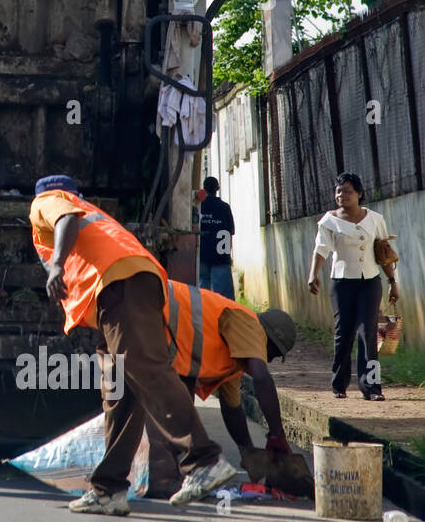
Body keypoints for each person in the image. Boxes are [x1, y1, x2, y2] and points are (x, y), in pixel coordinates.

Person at [30, 173, 235, 515]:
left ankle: (202, 459)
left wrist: (57, 268)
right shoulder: (90, 211)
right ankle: (108, 489)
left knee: (148, 371)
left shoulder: (49, 202)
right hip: (124, 291)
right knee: (120, 396)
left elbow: (65, 219)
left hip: (122, 286)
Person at [152, 283, 296, 473]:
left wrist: (249, 451)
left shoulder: (235, 361)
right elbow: (262, 378)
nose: (269, 360)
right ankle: (159, 472)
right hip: (155, 306)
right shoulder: (250, 325)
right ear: (267, 339)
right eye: (273, 354)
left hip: (167, 335)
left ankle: (162, 472)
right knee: (169, 408)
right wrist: (277, 434)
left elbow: (232, 410)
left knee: (181, 409)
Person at [307, 172, 399, 401]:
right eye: (339, 191)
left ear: (359, 193)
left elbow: (383, 251)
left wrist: (392, 282)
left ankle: (372, 388)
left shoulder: (375, 219)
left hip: (370, 282)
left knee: (368, 334)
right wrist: (313, 275)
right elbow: (321, 250)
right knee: (343, 333)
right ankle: (339, 384)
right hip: (341, 283)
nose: (342, 195)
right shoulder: (329, 221)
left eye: (348, 191)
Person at [197, 176, 235, 298]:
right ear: (217, 189)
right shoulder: (224, 207)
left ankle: (204, 314)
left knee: (203, 289)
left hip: (202, 253)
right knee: (223, 294)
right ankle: (223, 315)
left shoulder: (199, 207)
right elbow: (230, 231)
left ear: (204, 189)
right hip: (221, 254)